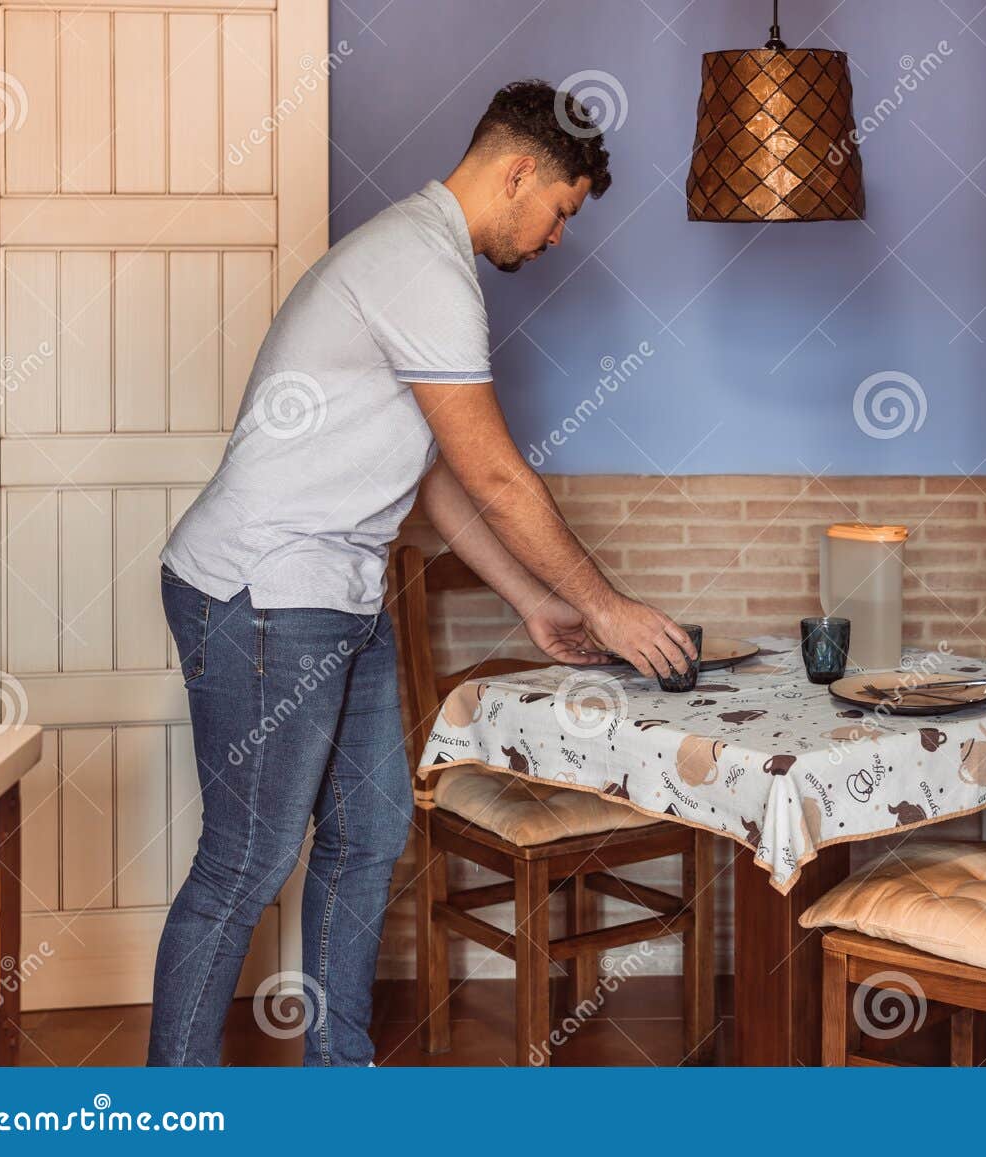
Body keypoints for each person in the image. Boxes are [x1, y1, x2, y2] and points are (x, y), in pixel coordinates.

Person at [148, 79, 694, 1066]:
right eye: (561, 212)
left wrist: (533, 600)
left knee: (368, 834)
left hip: (334, 594)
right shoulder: (420, 264)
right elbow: (494, 472)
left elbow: (438, 479)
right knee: (244, 865)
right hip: (265, 591)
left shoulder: (425, 263)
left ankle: (339, 1077)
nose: (557, 238)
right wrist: (604, 607)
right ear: (520, 171)